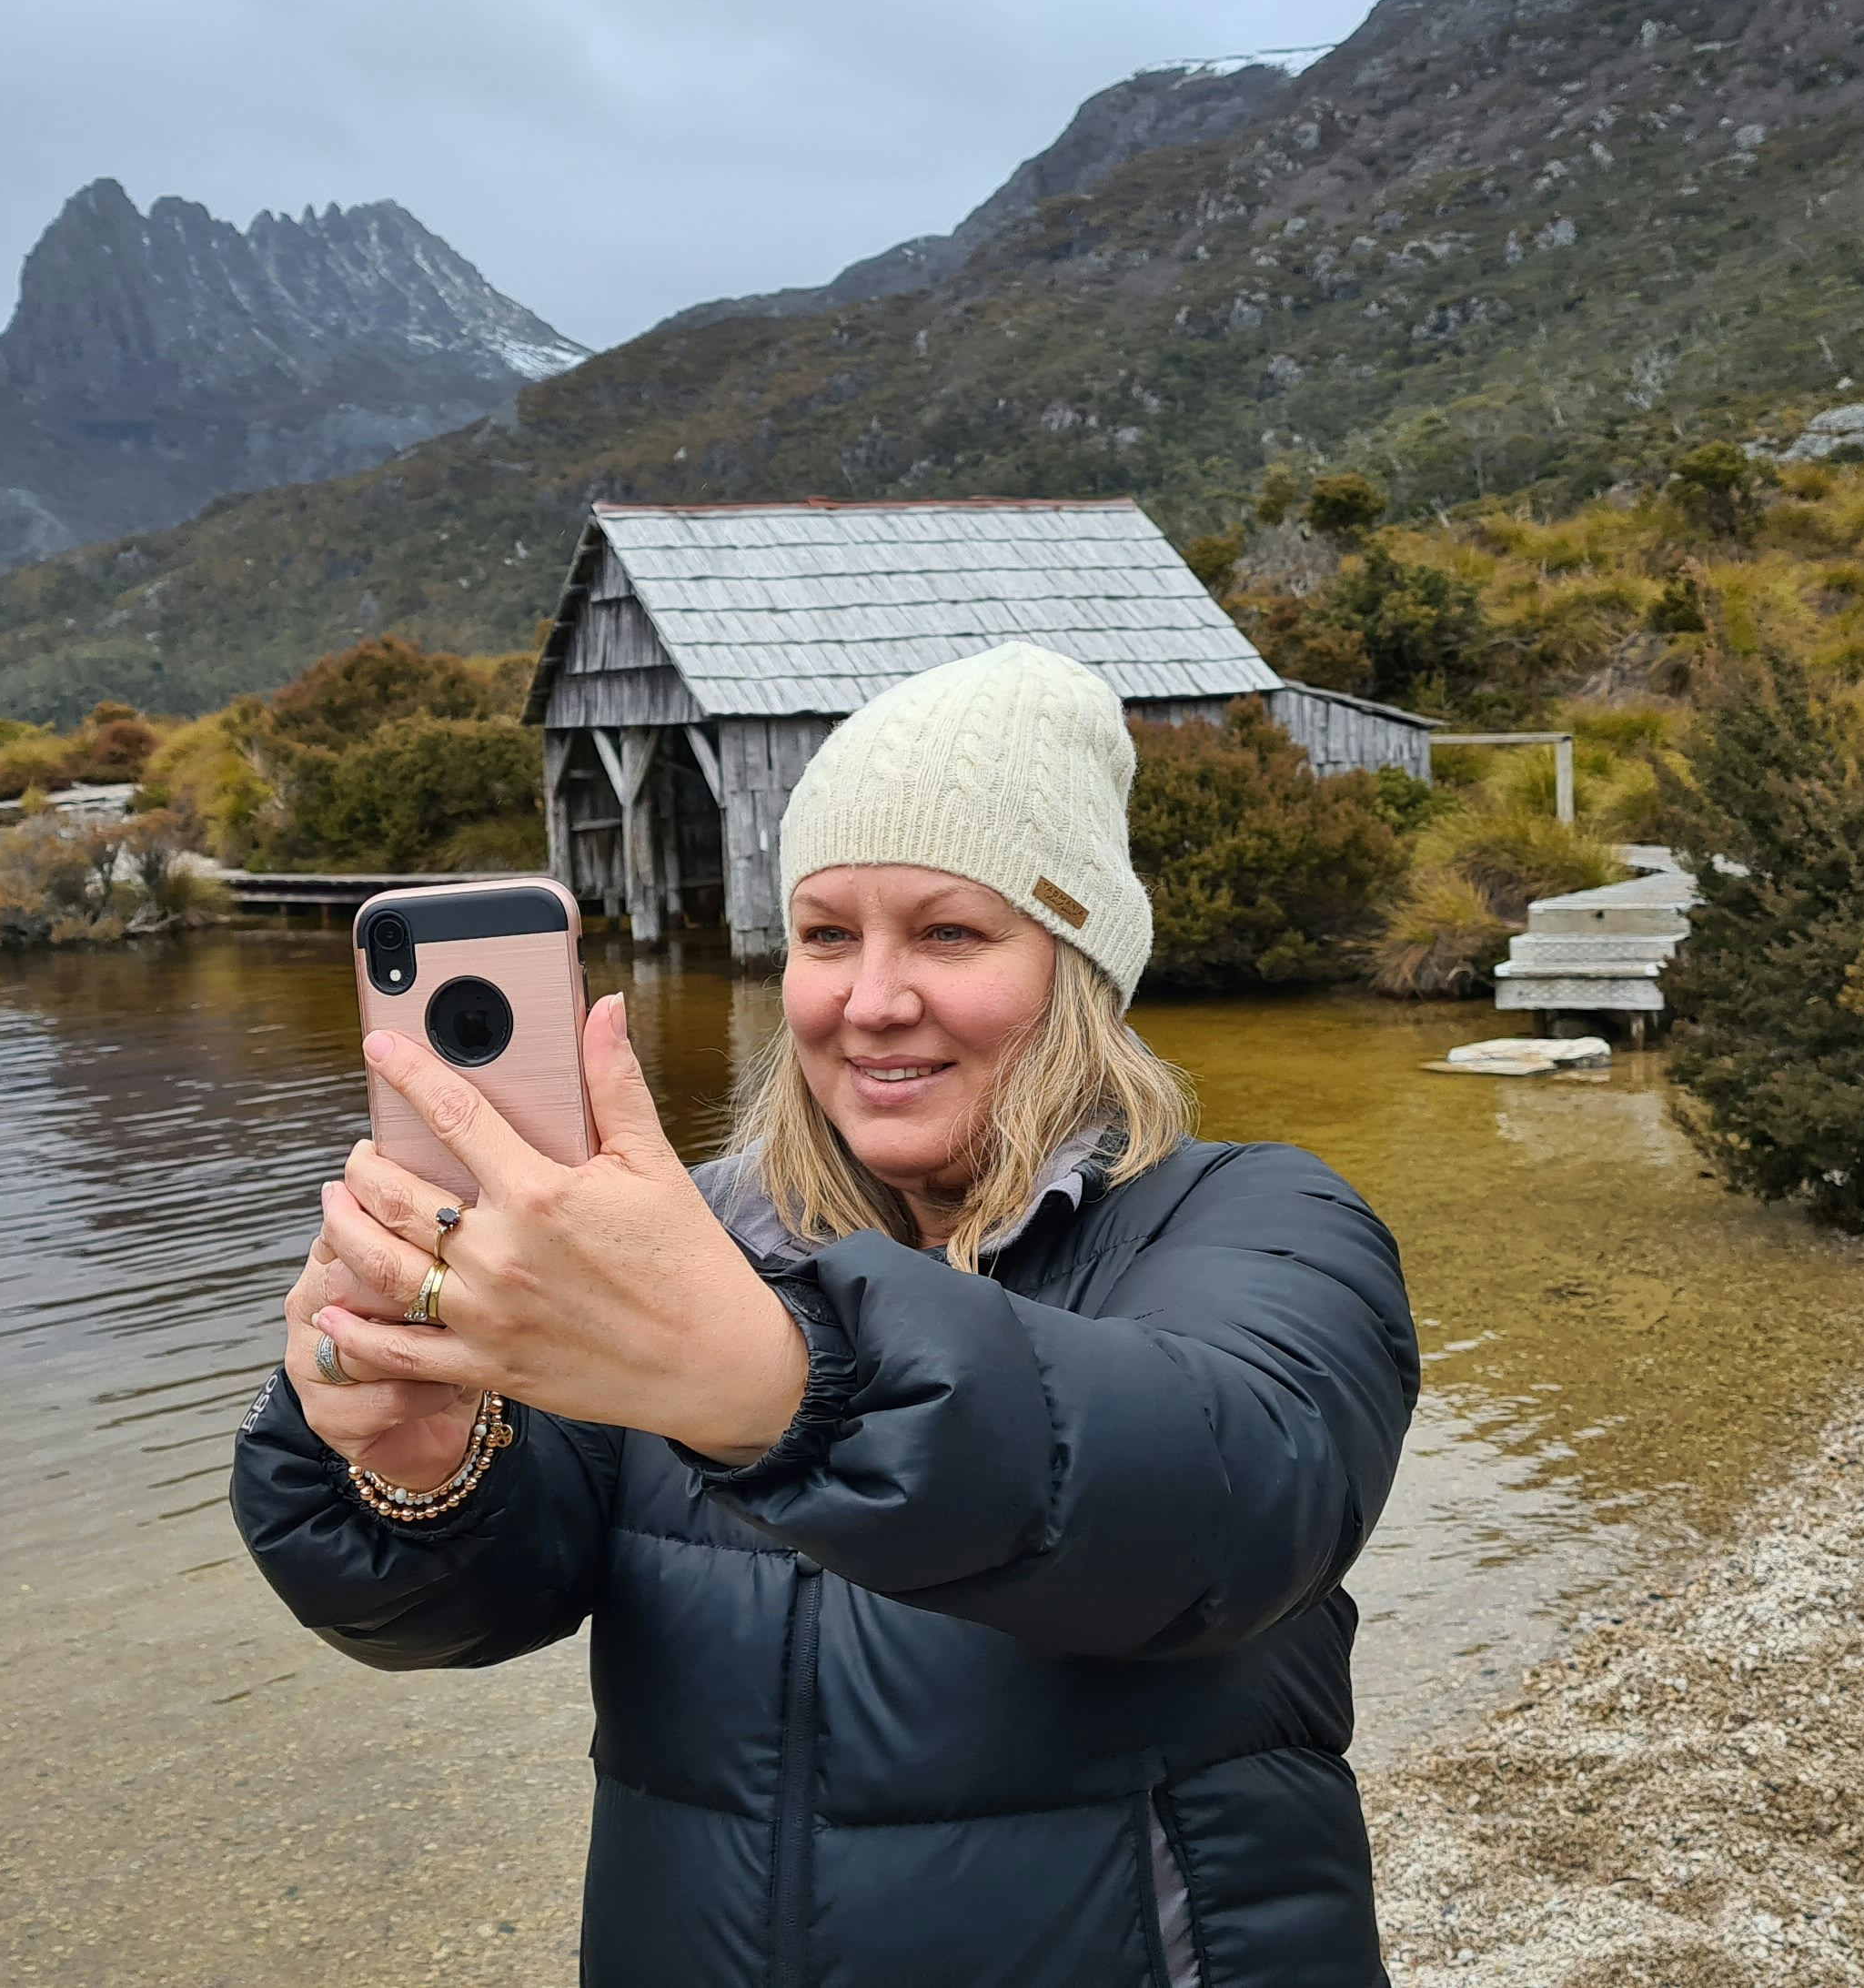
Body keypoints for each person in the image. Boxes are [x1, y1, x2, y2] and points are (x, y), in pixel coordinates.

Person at [231, 641, 1418, 1987]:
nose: (871, 1001)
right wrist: (415, 1466)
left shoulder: (1258, 1220)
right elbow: (467, 1610)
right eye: (827, 936)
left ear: (1080, 964)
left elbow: (1233, 1506)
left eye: (951, 933)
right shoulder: (686, 1246)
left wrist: (782, 1385)